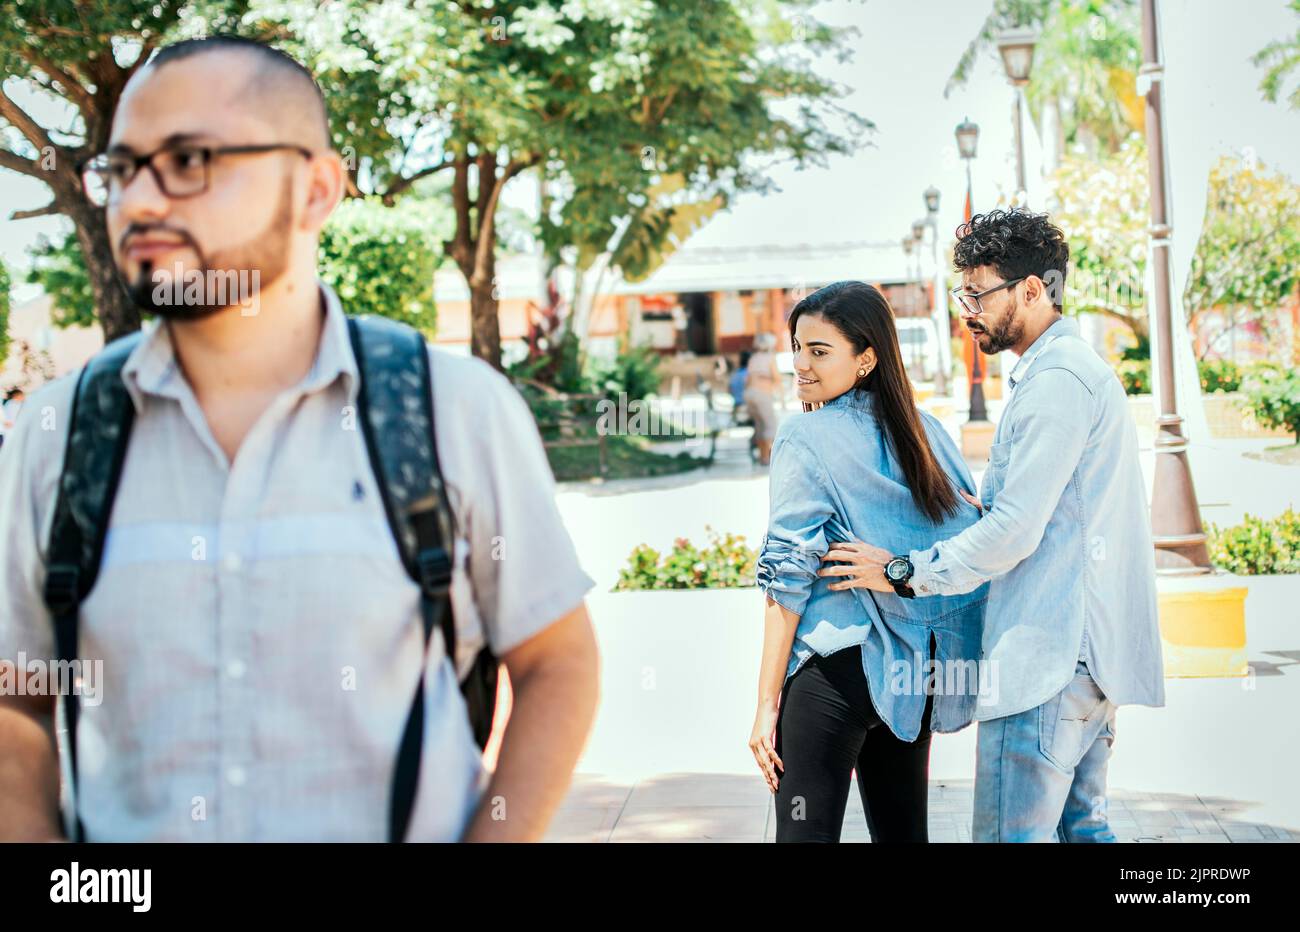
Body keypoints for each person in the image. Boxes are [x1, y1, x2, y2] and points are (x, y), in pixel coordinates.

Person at [0, 36, 599, 842]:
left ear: (316, 189)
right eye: (121, 169)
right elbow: (18, 696)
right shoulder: (58, 435)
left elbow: (556, 661)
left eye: (188, 161)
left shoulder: (451, 411)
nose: (139, 200)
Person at [819, 209, 1164, 843]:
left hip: (1045, 660)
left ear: (1033, 290)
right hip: (1083, 661)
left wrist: (901, 572)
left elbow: (1015, 531)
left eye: (978, 294)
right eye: (963, 294)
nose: (966, 310)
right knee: (1085, 833)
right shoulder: (1069, 371)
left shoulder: (1057, 382)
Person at [749, 281, 987, 843]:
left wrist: (765, 703)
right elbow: (971, 542)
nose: (801, 365)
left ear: (866, 358)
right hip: (911, 674)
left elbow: (787, 577)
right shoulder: (928, 432)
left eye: (819, 351)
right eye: (798, 348)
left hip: (833, 672)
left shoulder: (805, 436)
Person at [744, 333, 781, 465]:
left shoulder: (753, 358)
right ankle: (769, 457)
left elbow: (747, 380)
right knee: (770, 425)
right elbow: (777, 378)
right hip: (762, 394)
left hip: (749, 394)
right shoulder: (770, 358)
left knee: (759, 426)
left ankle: (762, 457)